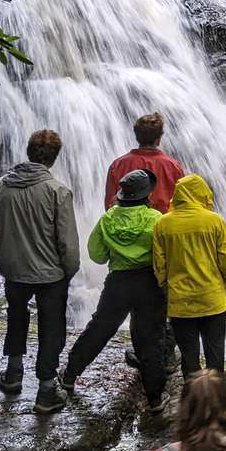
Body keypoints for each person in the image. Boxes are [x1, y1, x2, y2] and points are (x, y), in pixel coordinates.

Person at [0, 129, 79, 414]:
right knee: (51, 326)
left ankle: (13, 373)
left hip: (14, 269)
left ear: (28, 151)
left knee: (16, 317)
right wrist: (71, 269)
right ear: (54, 158)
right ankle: (45, 390)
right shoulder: (58, 191)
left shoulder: (3, 184)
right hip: (51, 274)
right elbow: (67, 241)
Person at [61, 170, 169, 412]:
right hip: (149, 282)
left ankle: (70, 374)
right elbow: (166, 253)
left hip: (118, 283)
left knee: (100, 329)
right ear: (147, 195)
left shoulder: (107, 219)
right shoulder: (157, 219)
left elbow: (97, 256)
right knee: (150, 336)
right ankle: (155, 398)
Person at [152, 174, 226, 379]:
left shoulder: (163, 224)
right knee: (215, 358)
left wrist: (167, 287)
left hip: (181, 304)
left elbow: (159, 267)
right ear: (202, 194)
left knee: (189, 359)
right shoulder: (215, 221)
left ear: (178, 195)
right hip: (212, 301)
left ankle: (193, 401)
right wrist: (225, 280)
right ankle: (215, 403)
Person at [105, 113, 185, 214]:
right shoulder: (174, 167)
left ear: (137, 137)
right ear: (159, 139)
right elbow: (183, 204)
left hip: (127, 227)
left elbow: (109, 206)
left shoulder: (117, 166)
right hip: (165, 227)